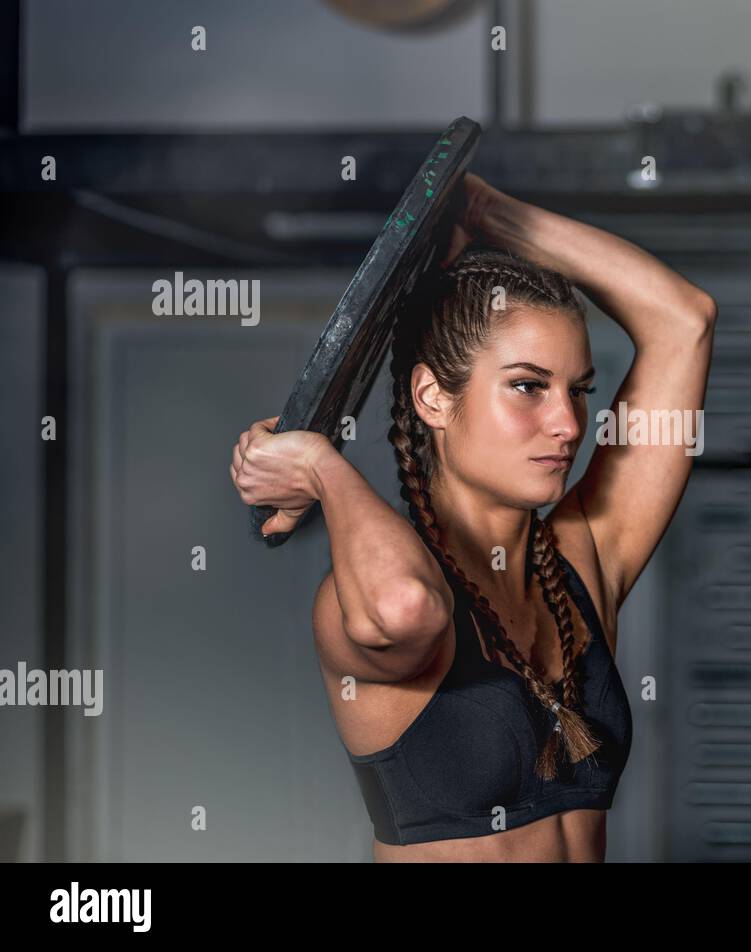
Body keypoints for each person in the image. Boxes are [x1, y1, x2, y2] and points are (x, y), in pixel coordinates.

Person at [229, 173, 717, 861]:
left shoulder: (584, 563)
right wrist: (320, 467)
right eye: (527, 386)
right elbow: (405, 607)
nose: (569, 424)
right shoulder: (362, 599)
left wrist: (485, 211)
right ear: (431, 396)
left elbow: (683, 319)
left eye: (578, 391)